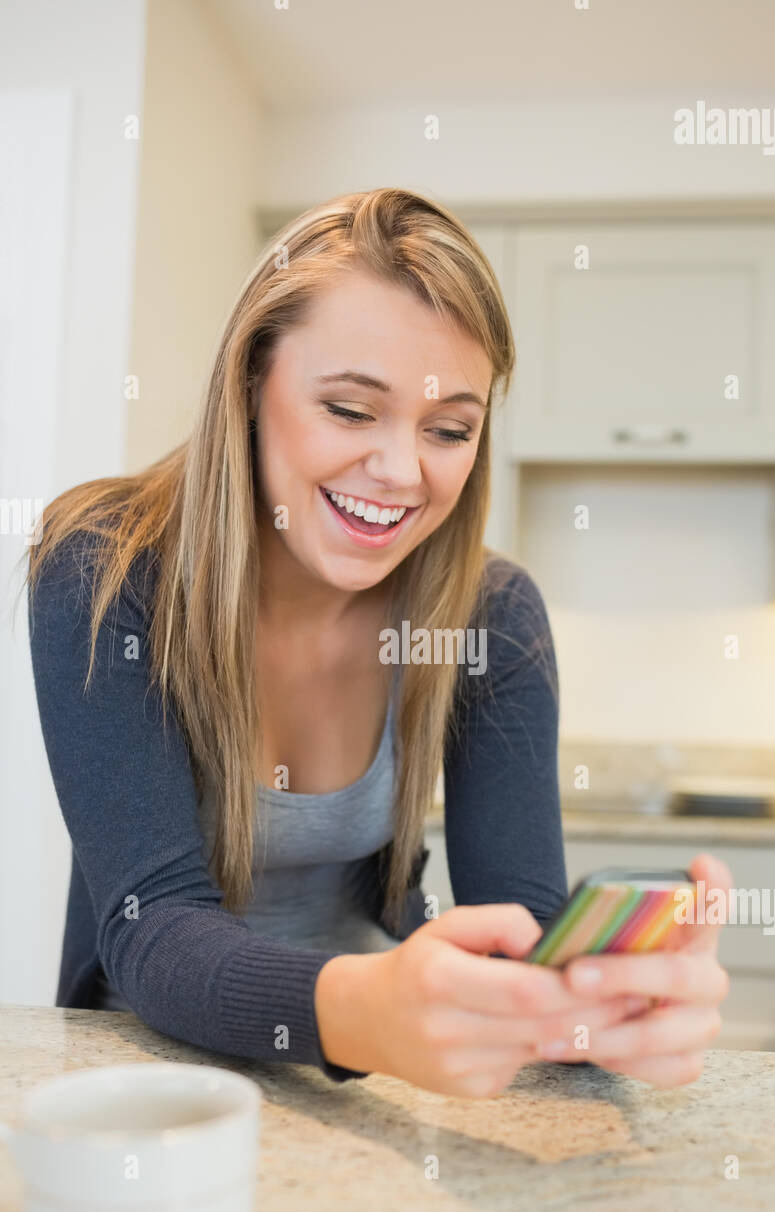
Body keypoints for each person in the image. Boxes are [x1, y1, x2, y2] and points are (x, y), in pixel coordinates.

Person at [28, 187, 730, 1098]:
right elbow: (152, 926)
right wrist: (369, 1012)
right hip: (155, 1077)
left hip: (381, 1074)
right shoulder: (103, 567)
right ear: (249, 382)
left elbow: (517, 921)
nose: (403, 472)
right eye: (353, 411)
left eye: (450, 430)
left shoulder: (491, 618)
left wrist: (593, 1003)